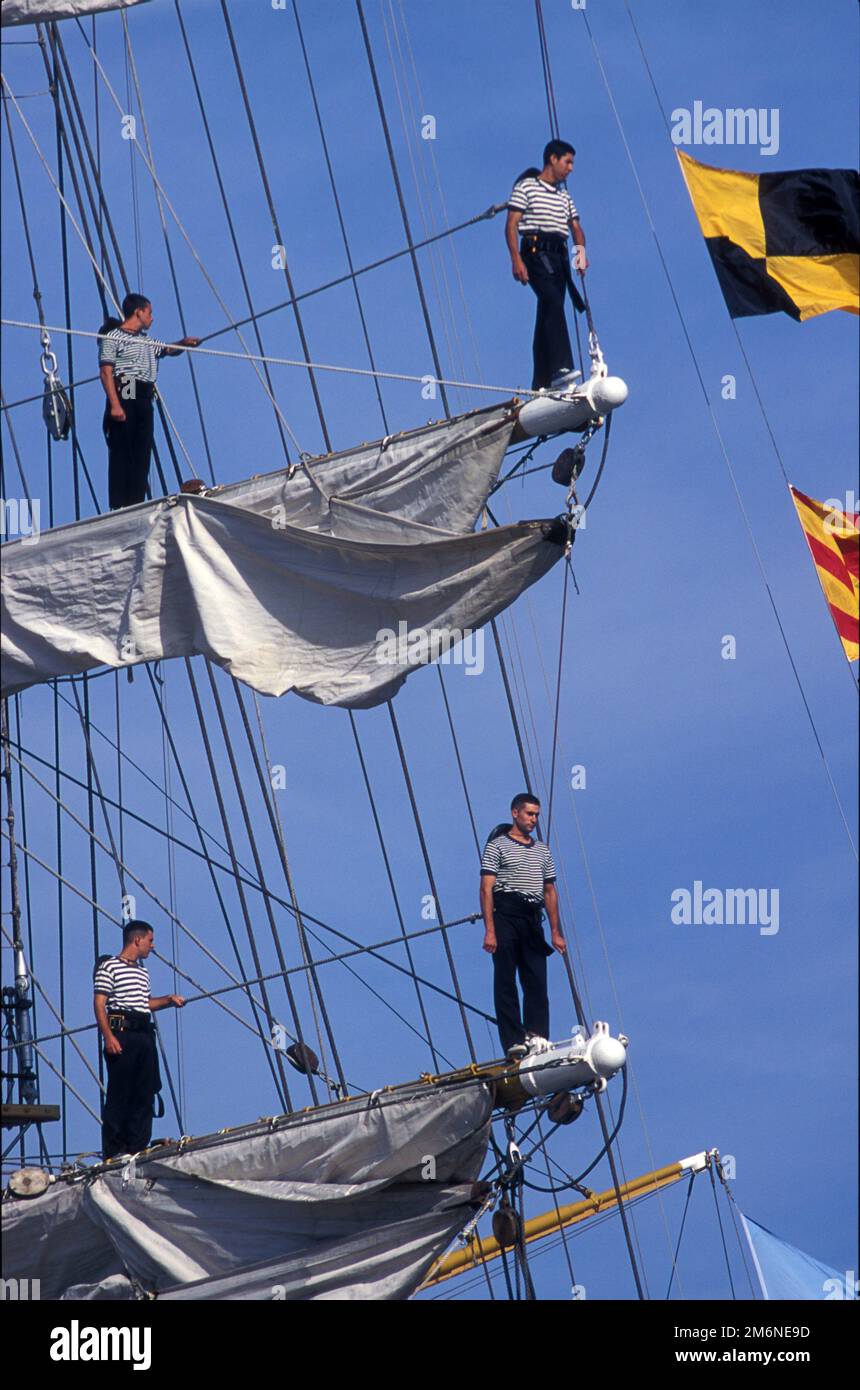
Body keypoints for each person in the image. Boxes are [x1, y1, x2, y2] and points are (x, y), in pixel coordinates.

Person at [480, 793, 566, 1059]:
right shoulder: (497, 846)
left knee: (536, 979)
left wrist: (555, 931)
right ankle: (513, 1040)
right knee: (505, 979)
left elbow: (550, 891)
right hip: (506, 913)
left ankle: (537, 1034)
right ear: (515, 813)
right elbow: (486, 888)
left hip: (532, 917)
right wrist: (490, 929)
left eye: (537, 815)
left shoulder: (542, 851)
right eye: (529, 814)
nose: (534, 819)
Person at [93, 919, 185, 1160]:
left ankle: (137, 1146)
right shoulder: (110, 967)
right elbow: (100, 1004)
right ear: (137, 939)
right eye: (150, 940)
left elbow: (144, 1003)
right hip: (122, 1034)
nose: (152, 946)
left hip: (144, 1034)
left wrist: (167, 1000)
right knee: (121, 1093)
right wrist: (109, 1036)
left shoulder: (142, 972)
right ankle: (115, 1150)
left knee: (145, 1092)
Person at [98, 293, 200, 510]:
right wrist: (115, 404)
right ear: (138, 312)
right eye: (149, 313)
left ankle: (135, 502)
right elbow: (106, 371)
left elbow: (167, 350)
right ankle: (119, 503)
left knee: (142, 448)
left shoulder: (146, 341)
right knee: (123, 446)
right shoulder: (114, 337)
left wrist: (184, 343)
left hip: (145, 391)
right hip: (127, 384)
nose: (152, 318)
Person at [505, 140, 589, 390]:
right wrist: (516, 259)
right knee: (552, 301)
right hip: (535, 251)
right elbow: (511, 225)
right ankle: (560, 366)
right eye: (568, 162)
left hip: (559, 257)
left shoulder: (564, 196)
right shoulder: (526, 187)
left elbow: (575, 227)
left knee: (547, 311)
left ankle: (541, 380)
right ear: (553, 159)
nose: (571, 168)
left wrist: (580, 254)